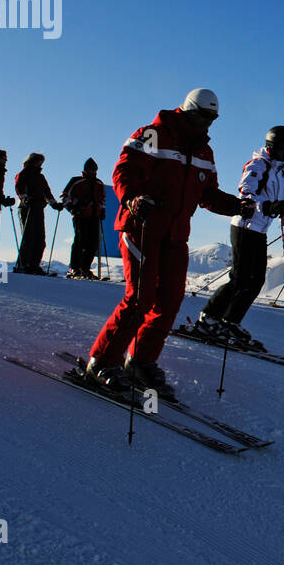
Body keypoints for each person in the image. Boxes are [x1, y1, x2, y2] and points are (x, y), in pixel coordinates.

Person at [85, 88, 243, 394]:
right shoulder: (153, 135)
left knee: (170, 299)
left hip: (175, 234)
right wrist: (132, 198)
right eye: (203, 116)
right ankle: (102, 361)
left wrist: (236, 206)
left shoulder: (203, 152)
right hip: (141, 226)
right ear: (188, 111)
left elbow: (207, 194)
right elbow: (124, 171)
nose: (207, 124)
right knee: (141, 297)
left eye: (213, 118)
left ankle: (141, 360)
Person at [195, 126, 284, 344]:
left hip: (259, 230)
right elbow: (246, 192)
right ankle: (208, 318)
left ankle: (229, 322)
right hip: (244, 226)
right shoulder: (258, 164)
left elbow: (275, 201)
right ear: (273, 147)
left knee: (256, 281)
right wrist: (268, 207)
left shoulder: (281, 172)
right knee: (240, 278)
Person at [13, 153, 63, 274]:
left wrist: (54, 204)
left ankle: (33, 265)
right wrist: (25, 198)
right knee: (29, 237)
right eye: (38, 161)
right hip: (27, 207)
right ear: (32, 161)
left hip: (38, 207)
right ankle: (23, 265)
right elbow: (19, 187)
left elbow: (47, 192)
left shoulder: (40, 177)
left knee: (40, 239)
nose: (40, 164)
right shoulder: (24, 173)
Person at [61, 158, 106, 279]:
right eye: (90, 169)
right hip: (80, 215)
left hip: (94, 215)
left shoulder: (99, 183)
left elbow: (102, 199)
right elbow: (64, 196)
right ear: (85, 169)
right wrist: (73, 208)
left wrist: (102, 210)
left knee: (93, 243)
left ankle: (85, 268)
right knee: (80, 241)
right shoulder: (76, 181)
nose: (93, 171)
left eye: (94, 169)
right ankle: (75, 268)